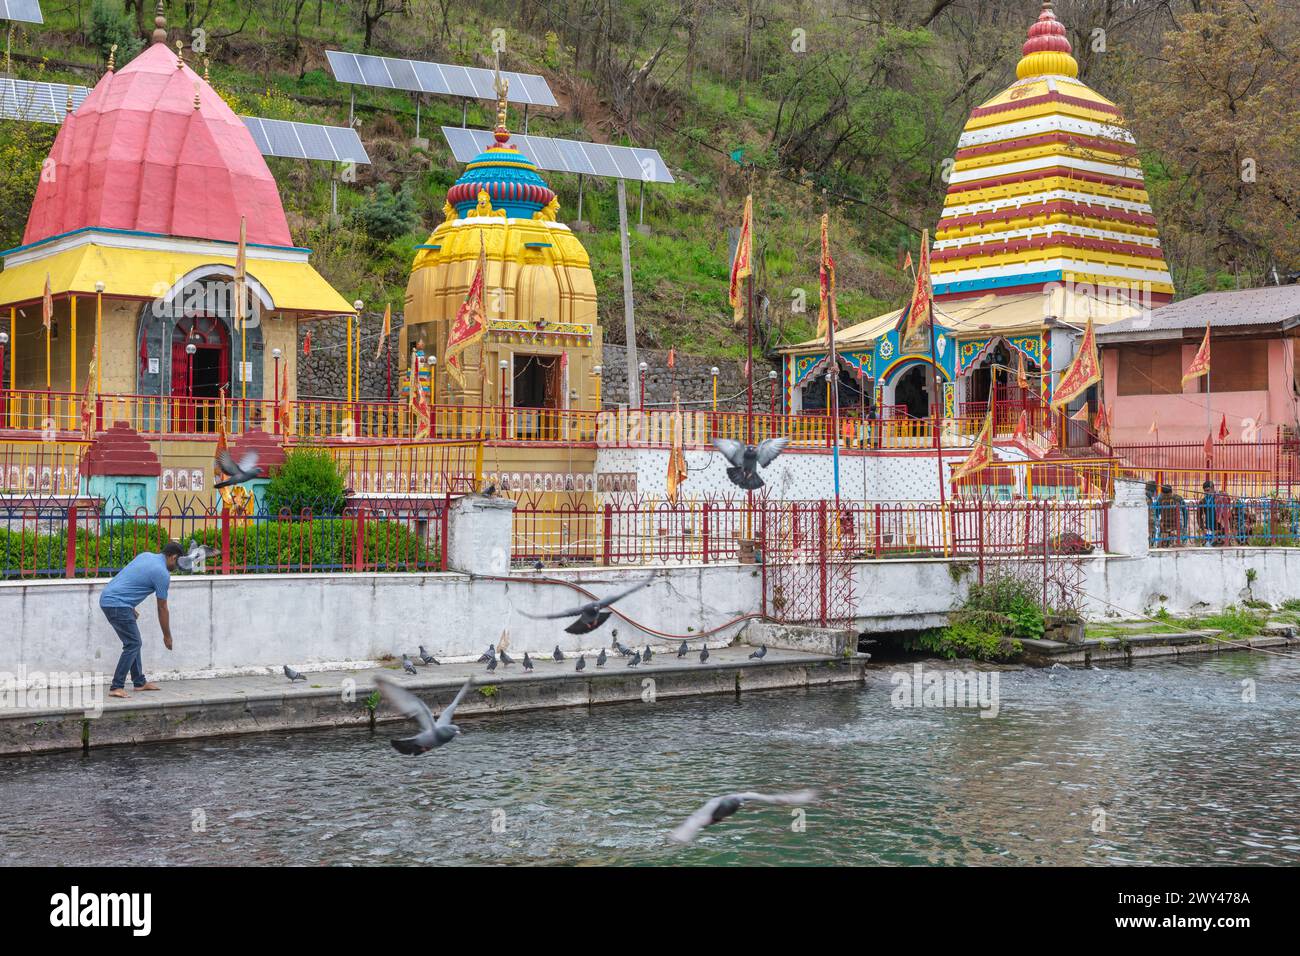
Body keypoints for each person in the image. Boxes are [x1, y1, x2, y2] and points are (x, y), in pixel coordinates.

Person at [100, 542, 183, 699]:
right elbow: (162, 608)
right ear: (173, 557)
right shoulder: (162, 573)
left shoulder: (146, 556)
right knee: (133, 643)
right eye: (178, 563)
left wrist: (129, 606)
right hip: (117, 604)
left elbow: (128, 579)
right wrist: (167, 635)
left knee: (133, 641)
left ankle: (139, 682)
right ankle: (116, 686)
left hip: (111, 600)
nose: (177, 567)